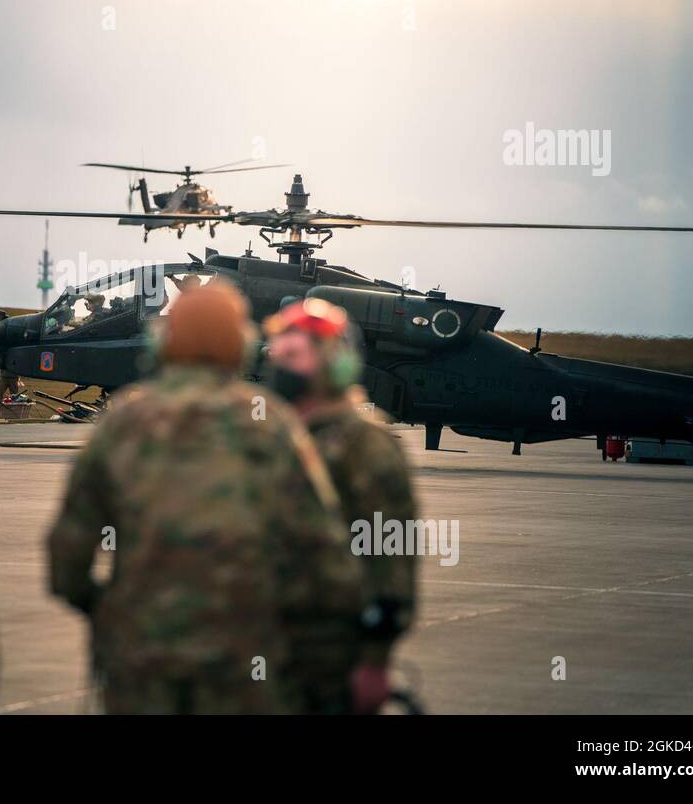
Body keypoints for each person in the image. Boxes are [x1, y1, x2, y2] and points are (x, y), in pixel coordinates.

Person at [47, 280, 361, 714]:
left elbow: (66, 553)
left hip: (139, 661)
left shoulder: (124, 421)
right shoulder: (270, 424)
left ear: (163, 342)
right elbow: (323, 550)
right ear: (243, 344)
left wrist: (105, 607)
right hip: (242, 660)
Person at [263, 298, 418, 714]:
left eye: (294, 355)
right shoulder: (278, 438)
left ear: (332, 364)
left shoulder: (366, 444)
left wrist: (374, 662)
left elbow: (392, 558)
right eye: (278, 353)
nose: (279, 365)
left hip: (330, 654)